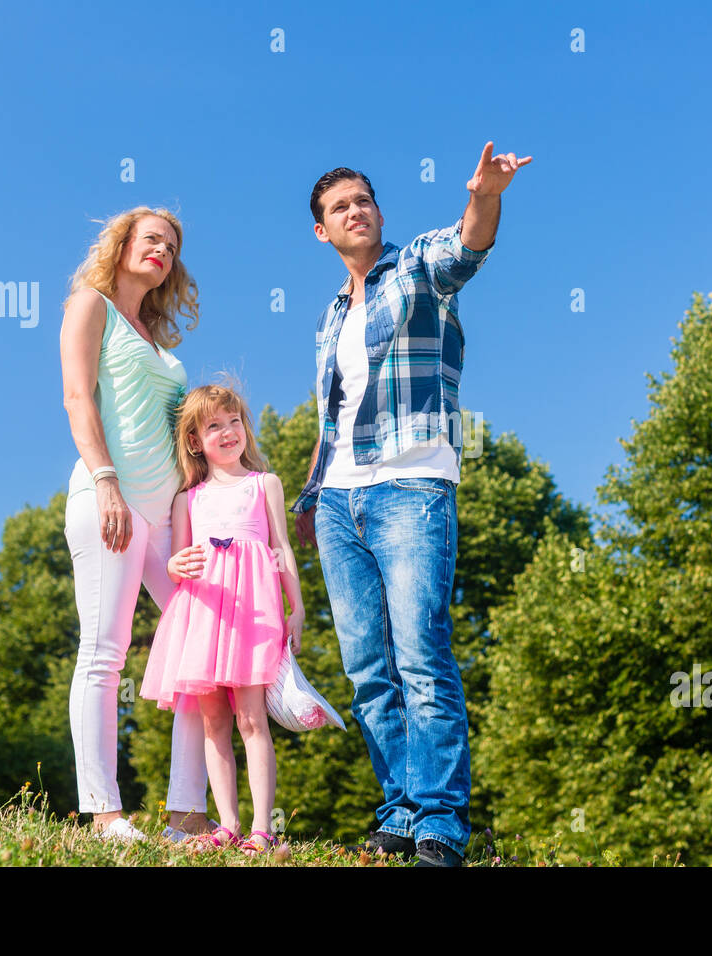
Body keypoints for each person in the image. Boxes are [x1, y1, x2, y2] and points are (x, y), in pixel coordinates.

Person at [291, 143, 531, 866]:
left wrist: (485, 194)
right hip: (339, 500)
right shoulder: (331, 316)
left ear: (379, 213)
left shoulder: (419, 266)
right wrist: (310, 496)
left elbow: (469, 244)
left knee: (422, 654)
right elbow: (333, 414)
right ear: (322, 233)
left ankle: (439, 825)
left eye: (363, 200)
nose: (355, 211)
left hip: (413, 485)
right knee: (368, 667)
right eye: (340, 208)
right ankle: (397, 808)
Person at [60, 207, 213, 842]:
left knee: (202, 654)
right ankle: (104, 812)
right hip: (109, 503)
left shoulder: (155, 339)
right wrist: (106, 484)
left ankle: (184, 815)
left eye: (172, 247)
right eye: (152, 239)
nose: (162, 251)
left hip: (166, 517)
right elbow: (75, 396)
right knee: (105, 653)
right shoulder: (89, 304)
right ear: (123, 243)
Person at [140, 383, 305, 856]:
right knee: (214, 721)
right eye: (214, 425)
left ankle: (261, 827)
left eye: (234, 421)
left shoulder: (264, 484)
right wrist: (173, 566)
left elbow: (281, 549)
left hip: (252, 612)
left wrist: (298, 609)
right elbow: (176, 562)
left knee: (252, 718)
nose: (229, 431)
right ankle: (227, 824)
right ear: (195, 440)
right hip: (204, 613)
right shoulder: (187, 499)